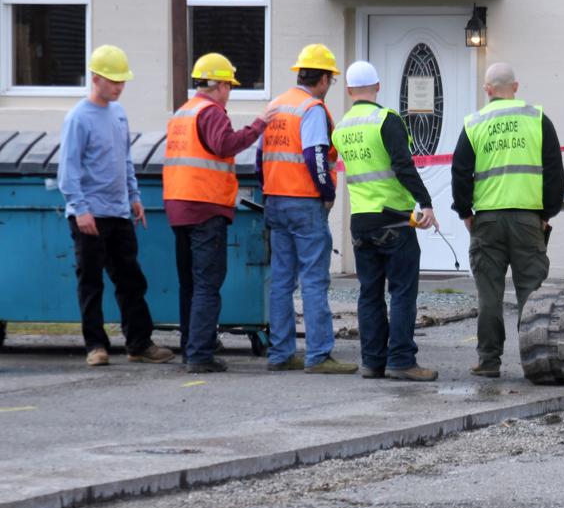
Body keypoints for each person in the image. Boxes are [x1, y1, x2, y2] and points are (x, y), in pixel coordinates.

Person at [57, 45, 175, 367]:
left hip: (119, 212)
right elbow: (68, 171)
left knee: (130, 280)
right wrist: (80, 209)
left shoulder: (119, 113)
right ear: (95, 79)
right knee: (91, 282)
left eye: (122, 81)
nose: (120, 87)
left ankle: (139, 343)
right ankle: (95, 345)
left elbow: (124, 159)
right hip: (90, 215)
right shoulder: (78, 118)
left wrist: (134, 197)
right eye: (113, 81)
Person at [451, 62, 564, 378]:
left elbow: (460, 172)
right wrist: (546, 215)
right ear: (515, 87)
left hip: (486, 222)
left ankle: (488, 362)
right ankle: (534, 362)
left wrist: (465, 213)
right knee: (531, 293)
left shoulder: (474, 124)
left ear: (487, 90)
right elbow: (554, 172)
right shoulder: (537, 119)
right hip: (528, 221)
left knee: (489, 293)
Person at [164, 53, 274, 373]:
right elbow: (225, 145)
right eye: (230, 86)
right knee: (207, 284)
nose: (230, 93)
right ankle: (200, 353)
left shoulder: (183, 113)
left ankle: (190, 346)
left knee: (190, 283)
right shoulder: (212, 113)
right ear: (221, 85)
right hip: (205, 208)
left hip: (179, 207)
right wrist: (259, 125)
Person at [330, 61, 439, 381]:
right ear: (378, 86)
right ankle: (402, 360)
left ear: (349, 91)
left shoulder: (341, 128)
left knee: (369, 293)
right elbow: (403, 166)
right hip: (393, 220)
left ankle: (372, 361)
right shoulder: (386, 119)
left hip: (361, 221)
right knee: (403, 291)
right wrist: (427, 202)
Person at [257, 44, 356, 374]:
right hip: (304, 203)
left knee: (282, 281)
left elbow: (261, 157)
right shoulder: (312, 108)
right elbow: (316, 155)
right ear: (324, 79)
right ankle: (319, 355)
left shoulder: (277, 105)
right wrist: (326, 191)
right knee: (314, 281)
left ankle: (281, 353)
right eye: (331, 79)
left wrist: (269, 188)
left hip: (275, 200)